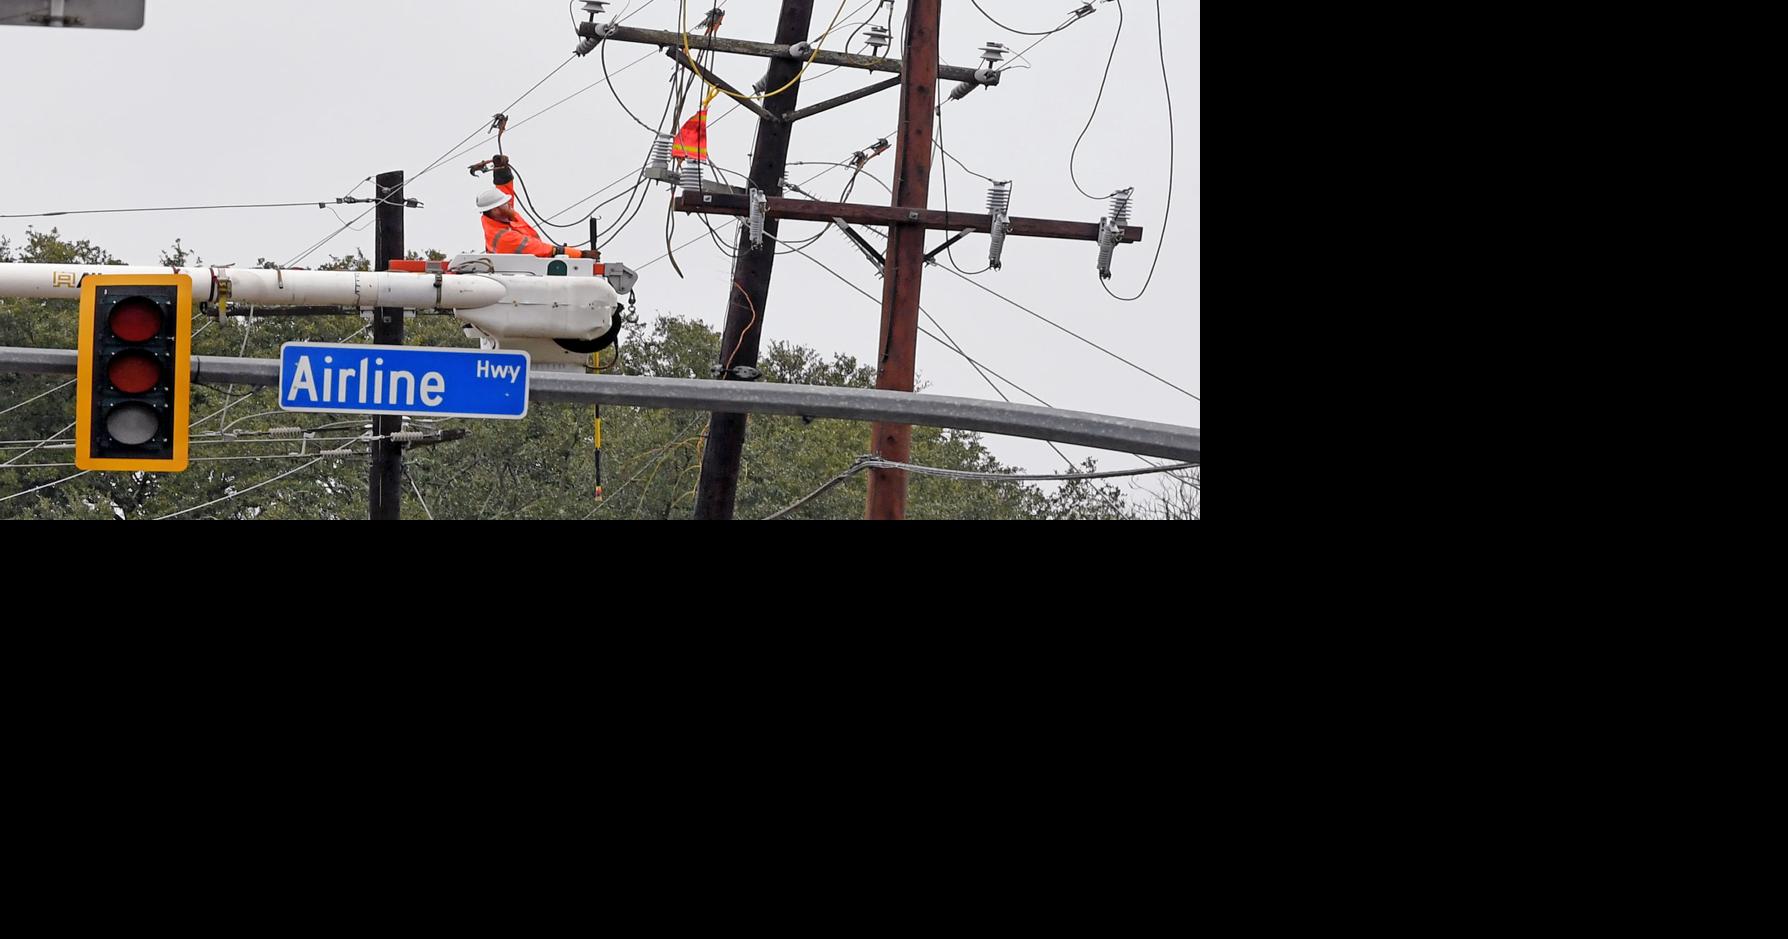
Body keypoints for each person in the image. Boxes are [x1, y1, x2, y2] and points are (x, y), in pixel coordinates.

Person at [476, 155, 585, 258]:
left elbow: (504, 191)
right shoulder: (503, 237)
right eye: (505, 203)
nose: (509, 204)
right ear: (495, 210)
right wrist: (580, 254)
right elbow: (540, 249)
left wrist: (501, 170)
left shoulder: (502, 217)